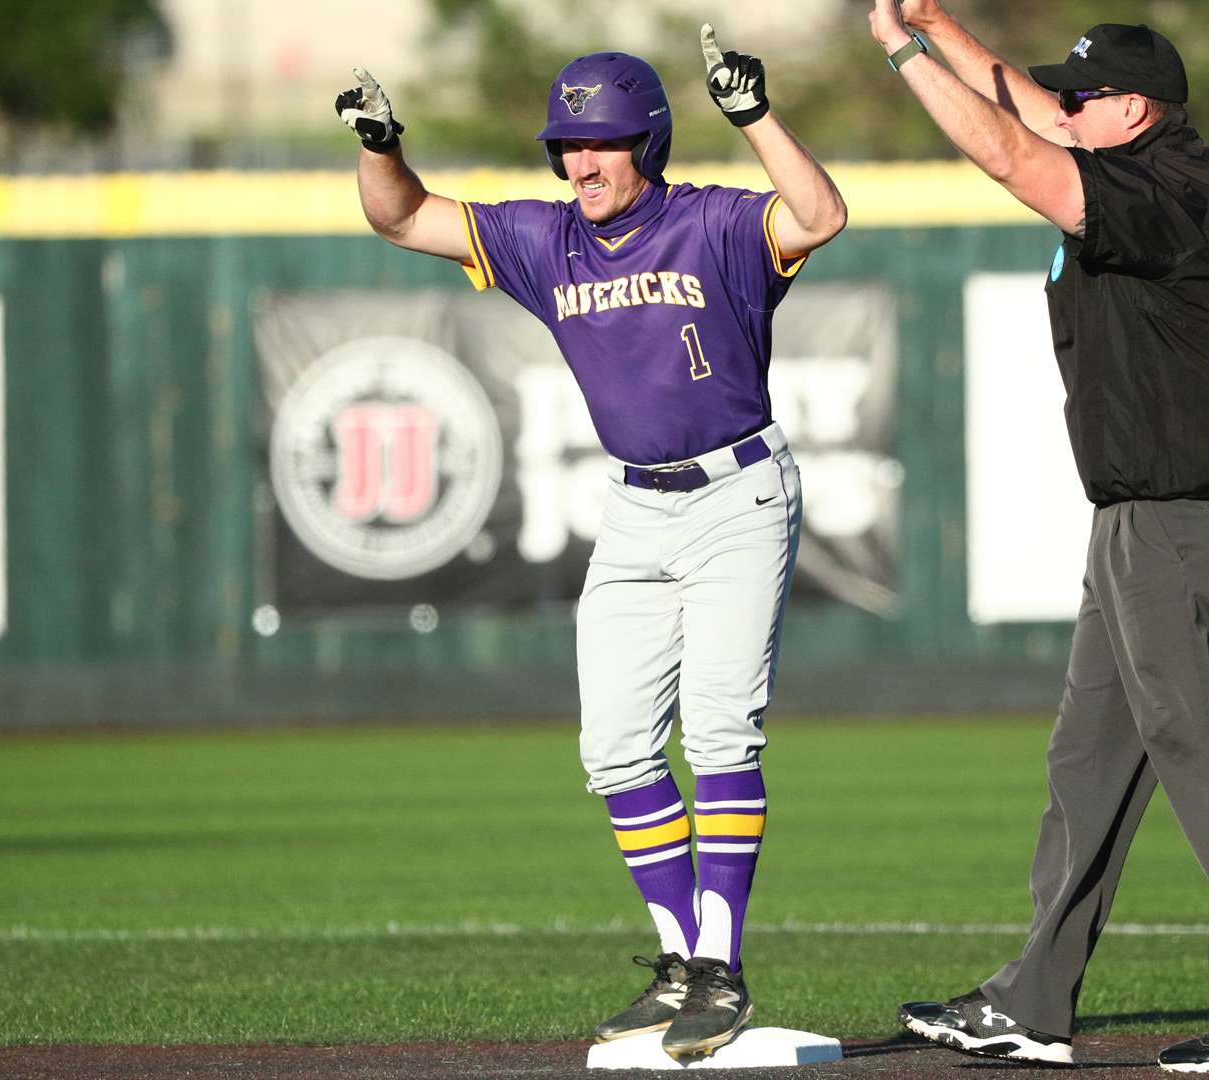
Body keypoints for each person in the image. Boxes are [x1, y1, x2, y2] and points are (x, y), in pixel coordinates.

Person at [337, 29, 846, 1059]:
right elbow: (398, 216)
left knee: (719, 734)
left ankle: (722, 969)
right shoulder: (544, 239)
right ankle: (676, 967)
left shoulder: (715, 223)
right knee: (612, 747)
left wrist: (753, 117)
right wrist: (383, 145)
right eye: (566, 145)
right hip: (633, 509)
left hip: (737, 494)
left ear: (647, 143)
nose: (579, 163)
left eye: (601, 144)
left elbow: (822, 214)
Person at [864, 4, 1209, 1072]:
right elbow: (1025, 114)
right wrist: (937, 24)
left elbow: (1007, 152)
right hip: (1133, 518)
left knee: (1201, 750)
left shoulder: (1179, 192)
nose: (1064, 107)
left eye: (1084, 97)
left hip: (1184, 512)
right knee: (1089, 761)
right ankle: (1035, 999)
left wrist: (899, 57)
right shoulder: (1130, 158)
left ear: (1134, 109)